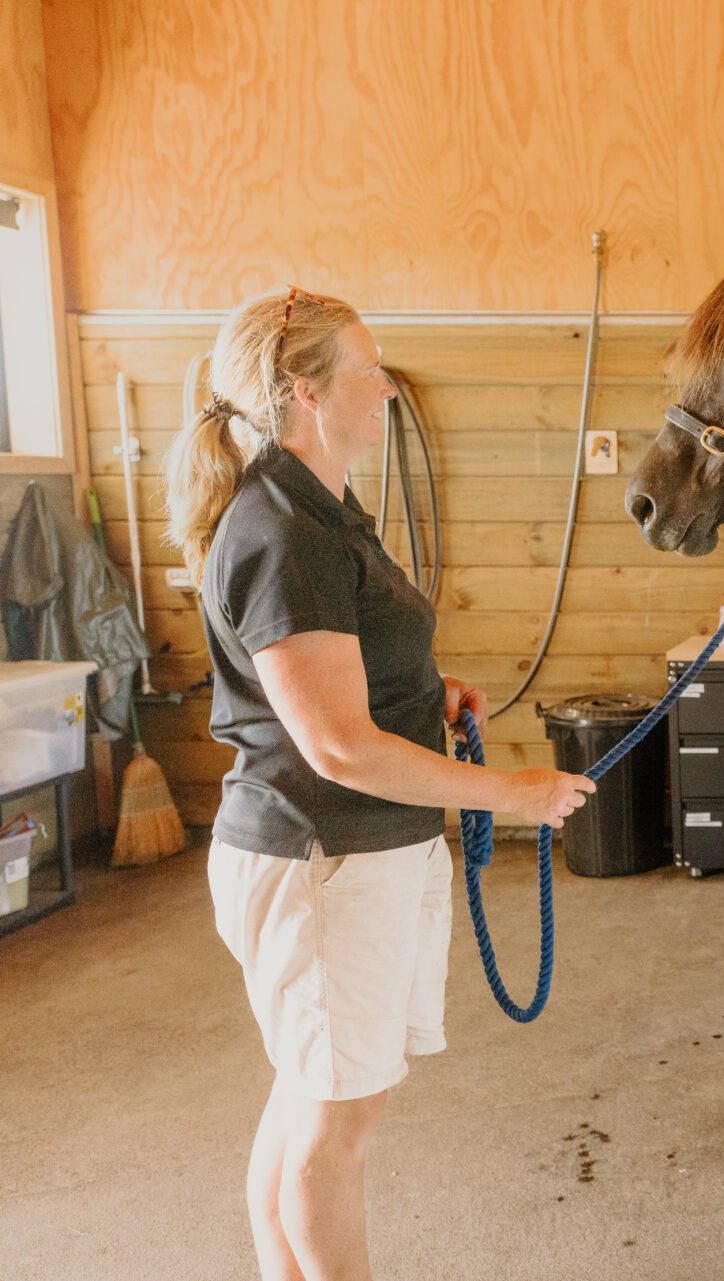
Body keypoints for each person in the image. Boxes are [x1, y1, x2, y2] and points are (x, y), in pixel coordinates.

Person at [163, 286, 595, 1281]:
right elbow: (338, 748)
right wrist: (513, 795)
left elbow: (331, 670)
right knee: (335, 1130)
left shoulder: (320, 505)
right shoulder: (286, 531)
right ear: (306, 393)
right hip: (327, 857)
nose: (387, 384)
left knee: (317, 1103)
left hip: (350, 853)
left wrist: (421, 688)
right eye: (368, 366)